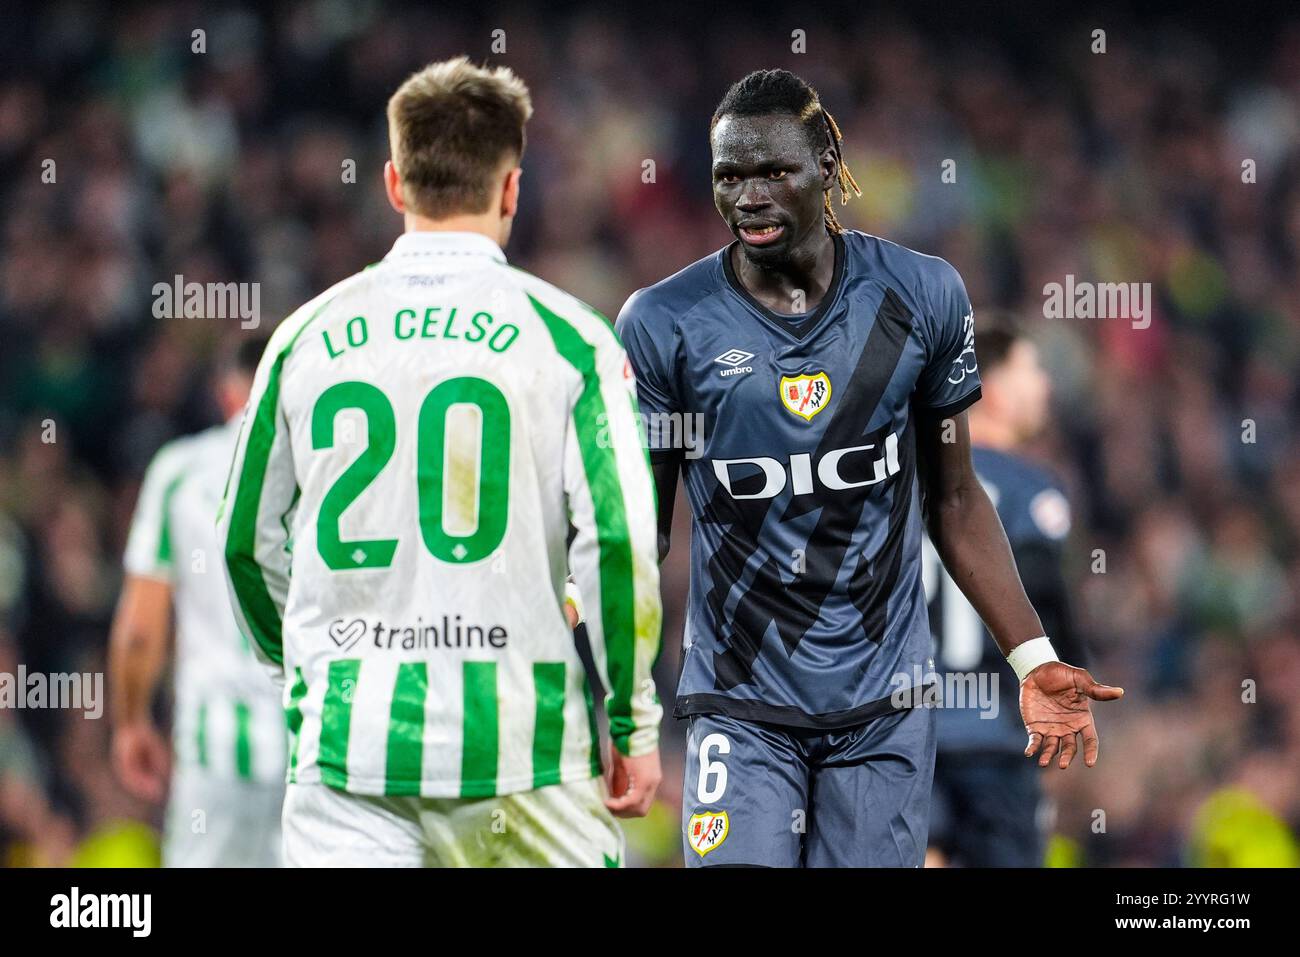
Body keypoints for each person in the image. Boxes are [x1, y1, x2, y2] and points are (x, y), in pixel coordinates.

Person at [616, 69, 1122, 867]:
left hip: (885, 705)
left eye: (773, 172)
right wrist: (621, 701)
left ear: (827, 164)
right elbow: (639, 536)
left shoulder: (922, 295)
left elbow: (955, 499)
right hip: (739, 700)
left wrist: (1032, 655)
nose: (748, 195)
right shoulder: (663, 323)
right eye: (729, 177)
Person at [217, 56, 662, 867]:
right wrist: (632, 720)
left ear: (393, 183)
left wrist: (316, 667)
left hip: (347, 755)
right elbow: (622, 541)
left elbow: (244, 542)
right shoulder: (571, 340)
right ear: (512, 189)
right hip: (520, 756)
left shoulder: (303, 338)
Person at [111, 338, 286, 867]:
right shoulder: (332, 465)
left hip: (218, 754)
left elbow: (142, 628)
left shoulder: (181, 472)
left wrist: (131, 721)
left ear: (227, 395)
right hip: (320, 749)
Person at [924, 319, 1087, 867]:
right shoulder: (1029, 489)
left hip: (905, 722)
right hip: (994, 732)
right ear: (991, 389)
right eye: (1030, 369)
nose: (1044, 384)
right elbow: (1046, 606)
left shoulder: (902, 477)